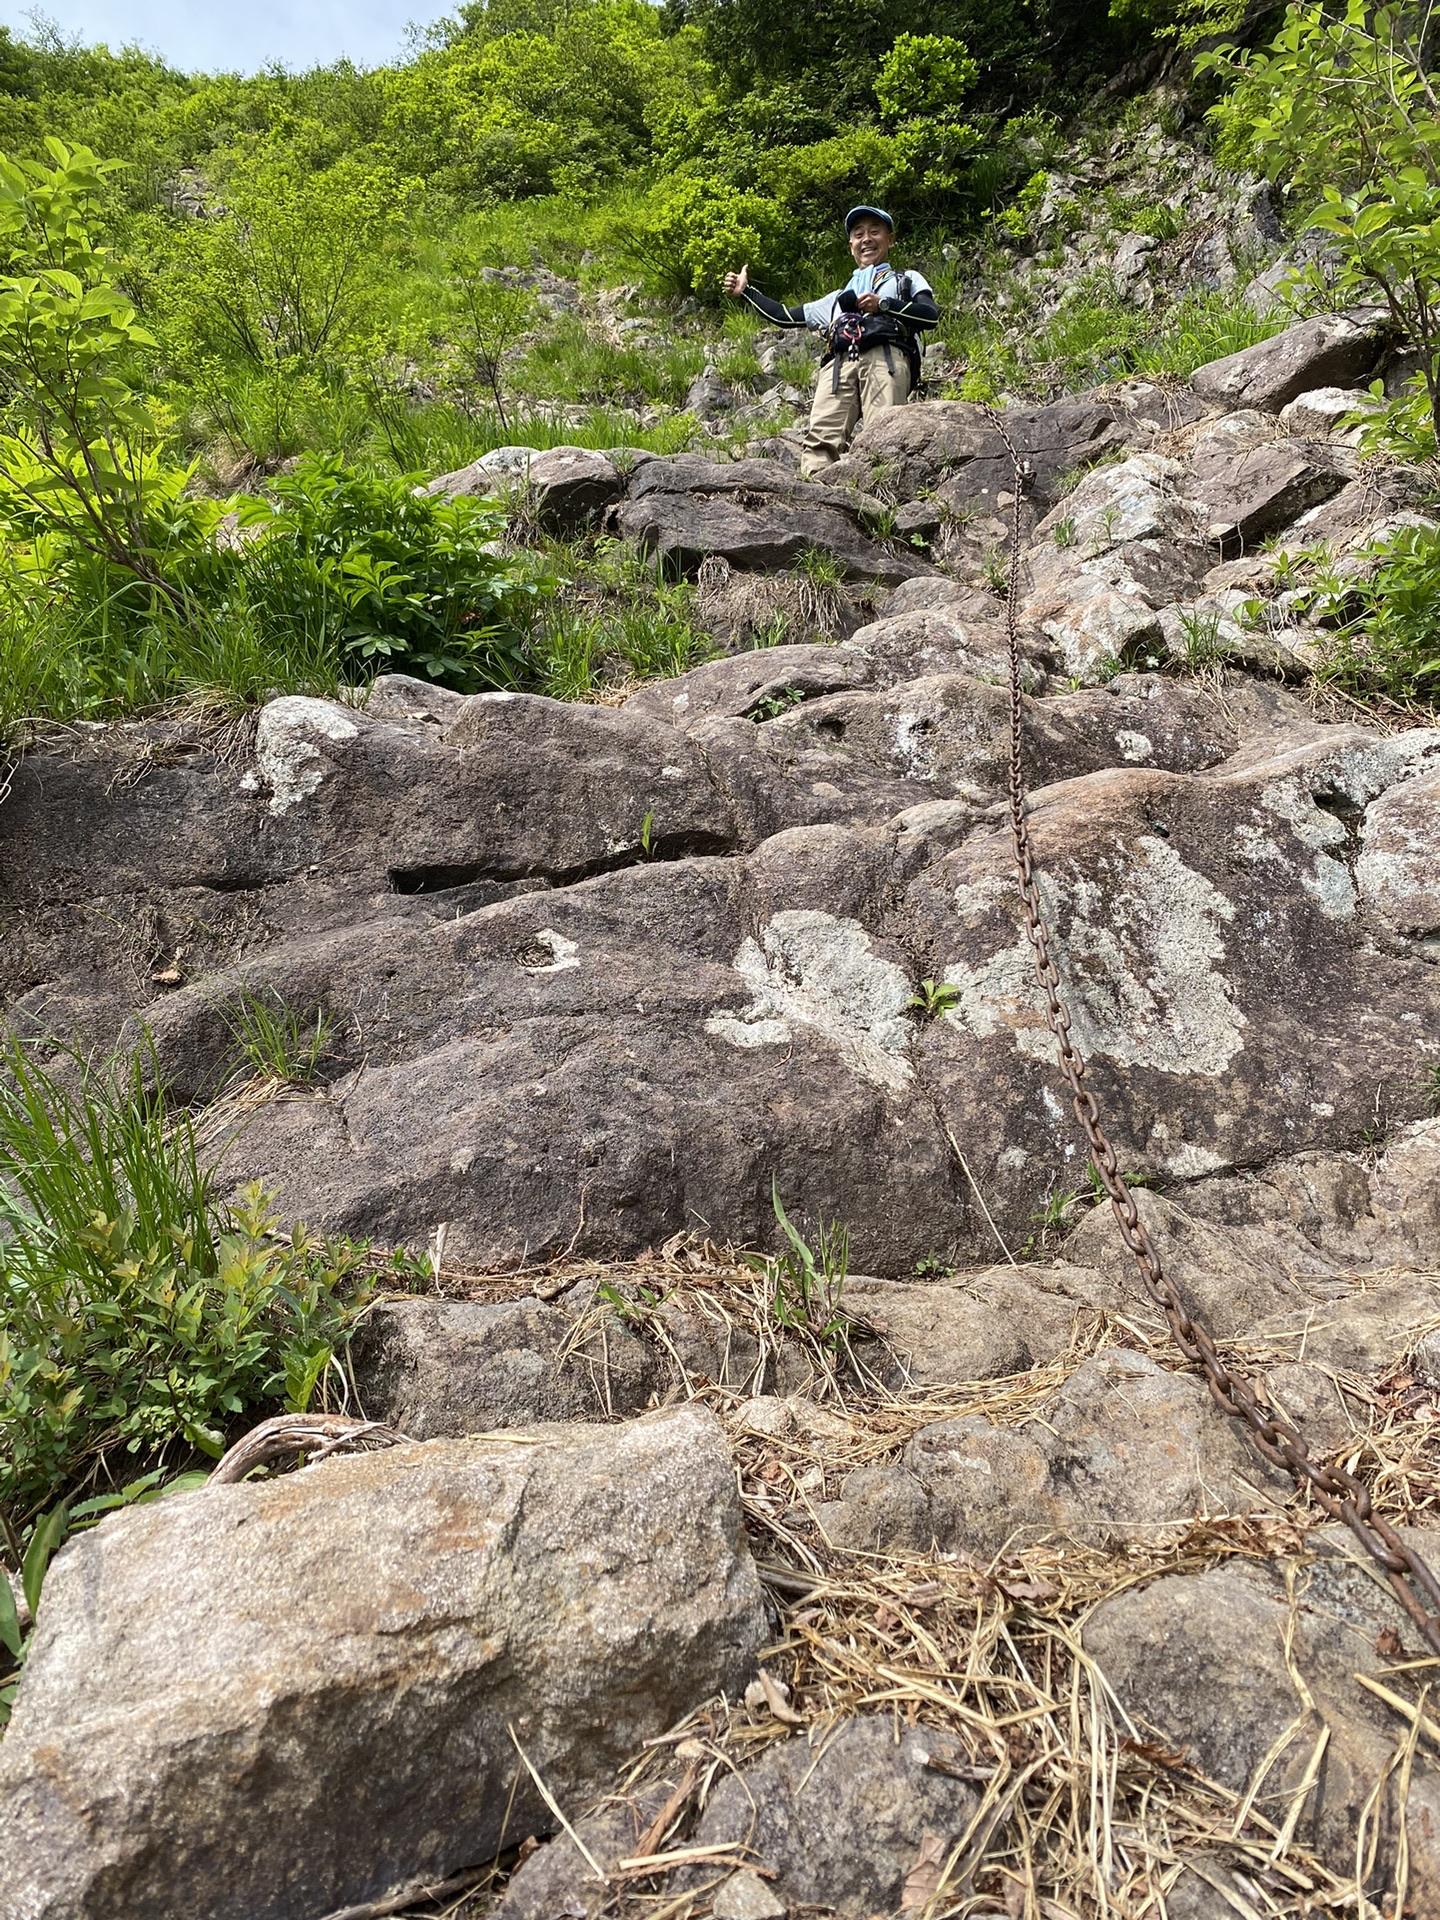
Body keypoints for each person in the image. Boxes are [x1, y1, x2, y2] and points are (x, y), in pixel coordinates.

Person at [722, 205, 940, 477]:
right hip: (838, 364)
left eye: (875, 231)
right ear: (851, 246)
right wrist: (747, 292)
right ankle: (819, 499)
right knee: (821, 440)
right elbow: (784, 315)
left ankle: (884, 495)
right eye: (858, 234)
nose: (866, 239)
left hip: (886, 355)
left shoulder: (905, 280)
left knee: (886, 432)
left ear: (890, 239)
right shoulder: (836, 299)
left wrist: (883, 304)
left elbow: (930, 316)